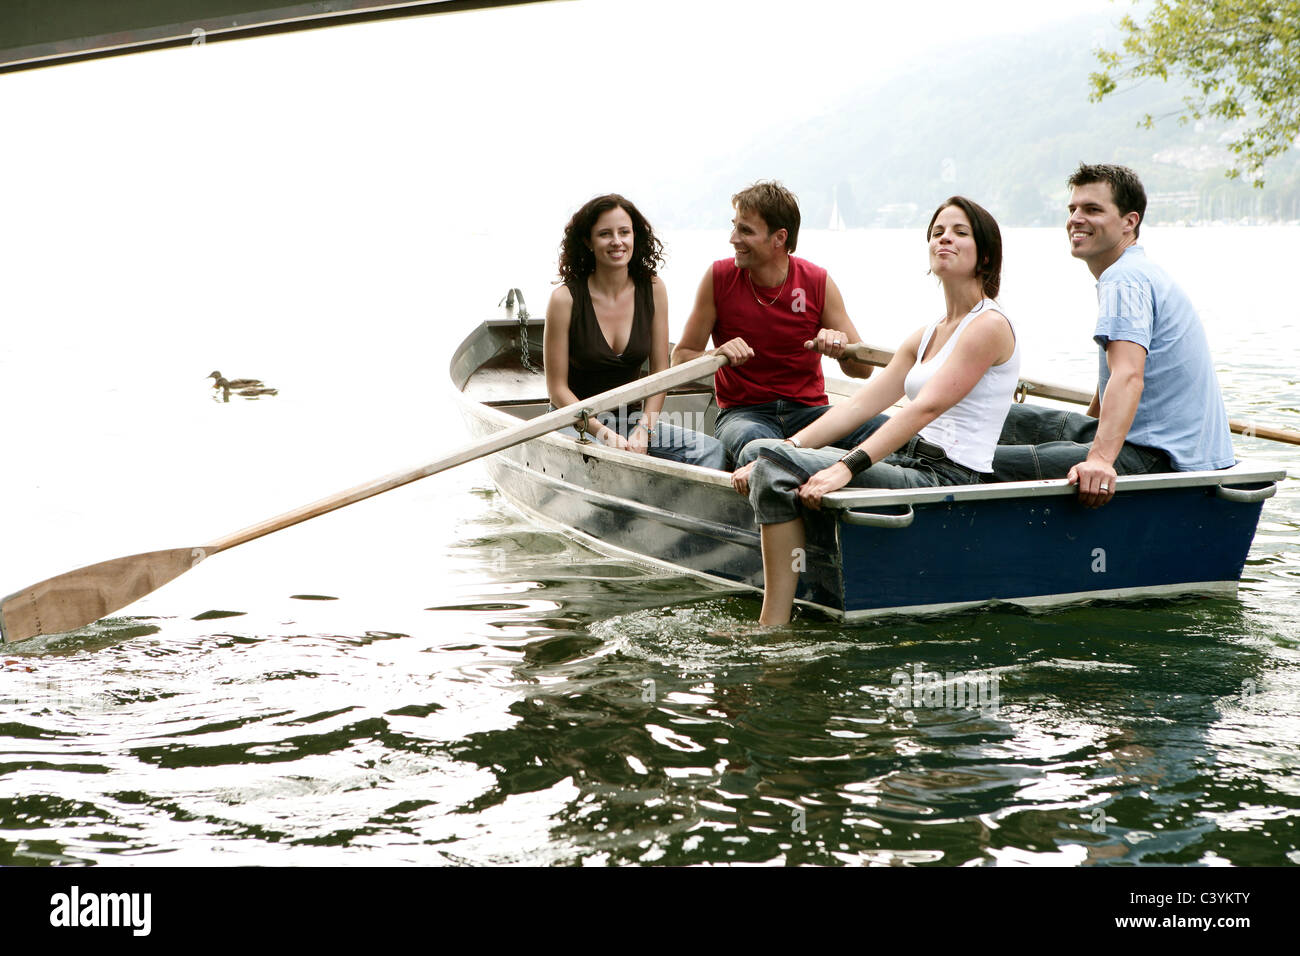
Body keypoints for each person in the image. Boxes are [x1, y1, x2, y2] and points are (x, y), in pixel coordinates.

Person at [733, 197, 1020, 626]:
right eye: (938, 230)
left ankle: (772, 628)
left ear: (986, 254)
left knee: (772, 467)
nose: (945, 238)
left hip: (948, 476)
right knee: (761, 453)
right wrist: (788, 445)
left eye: (960, 232)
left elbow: (925, 407)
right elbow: (862, 404)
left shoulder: (989, 326)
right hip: (911, 458)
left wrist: (846, 466)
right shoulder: (928, 335)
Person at [991, 163, 1234, 506]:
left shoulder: (1124, 280)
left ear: (1129, 221)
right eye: (1072, 208)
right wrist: (1080, 443)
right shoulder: (1134, 271)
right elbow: (1115, 375)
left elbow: (1128, 376)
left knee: (971, 456)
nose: (1076, 218)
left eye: (1092, 209)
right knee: (987, 412)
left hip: (1162, 461)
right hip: (1171, 448)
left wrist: (1099, 461)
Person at [669, 181, 884, 467]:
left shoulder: (817, 281)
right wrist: (716, 354)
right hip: (744, 415)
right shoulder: (718, 278)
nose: (733, 238)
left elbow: (862, 369)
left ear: (779, 238)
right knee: (758, 447)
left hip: (810, 413)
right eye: (734, 227)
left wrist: (840, 348)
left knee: (889, 432)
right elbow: (680, 359)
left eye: (745, 230)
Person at [544, 194, 726, 469]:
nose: (617, 241)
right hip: (574, 421)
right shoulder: (564, 299)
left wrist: (645, 428)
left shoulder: (653, 289)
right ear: (588, 242)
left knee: (710, 451)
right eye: (605, 234)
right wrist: (603, 434)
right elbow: (557, 390)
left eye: (624, 232)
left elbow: (660, 373)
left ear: (635, 237)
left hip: (631, 421)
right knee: (602, 461)